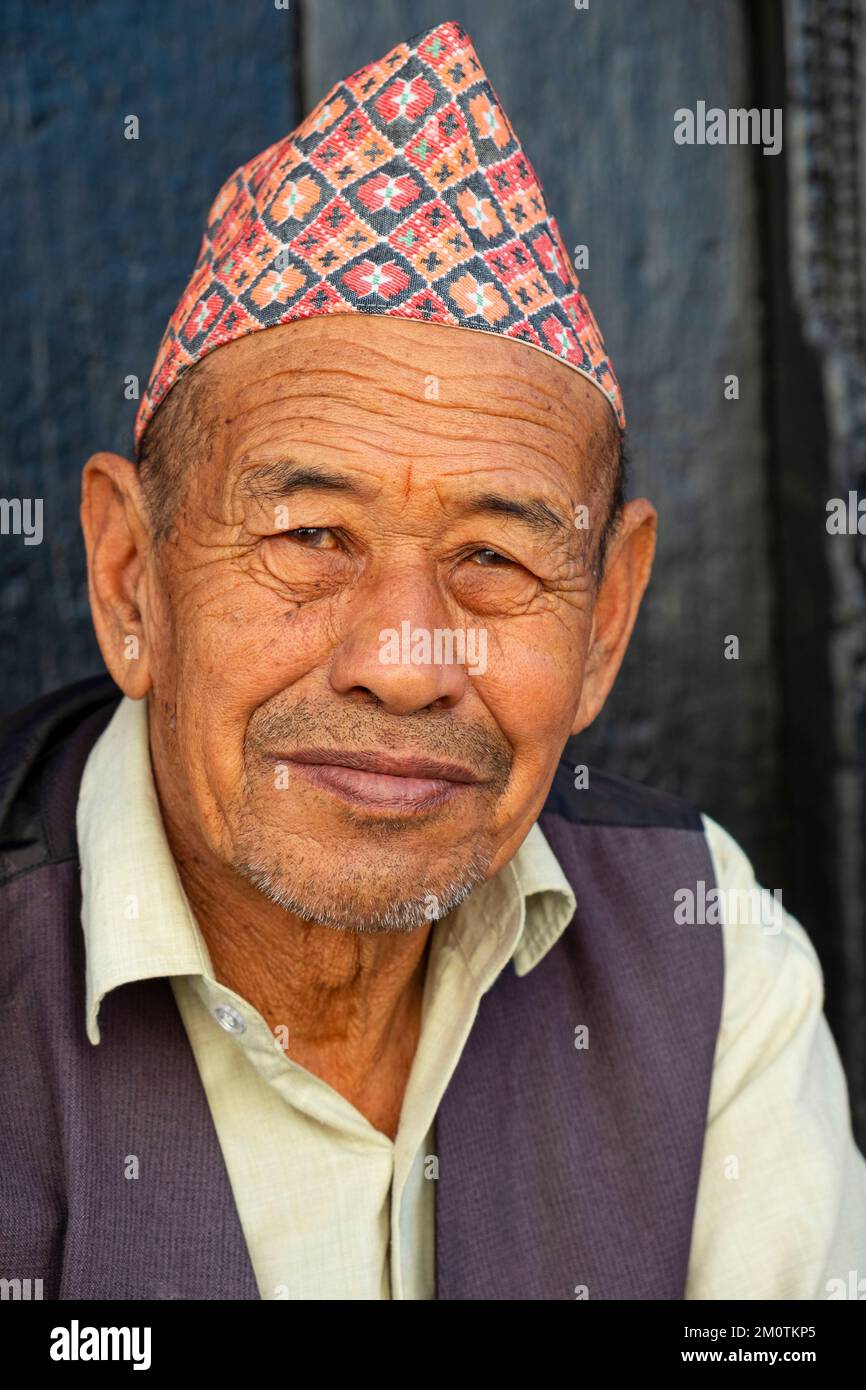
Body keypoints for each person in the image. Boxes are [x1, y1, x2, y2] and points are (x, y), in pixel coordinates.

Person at [1, 18, 864, 1301]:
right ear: (131, 576)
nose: (404, 661)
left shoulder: (705, 948)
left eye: (496, 559)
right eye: (309, 536)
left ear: (605, 619)